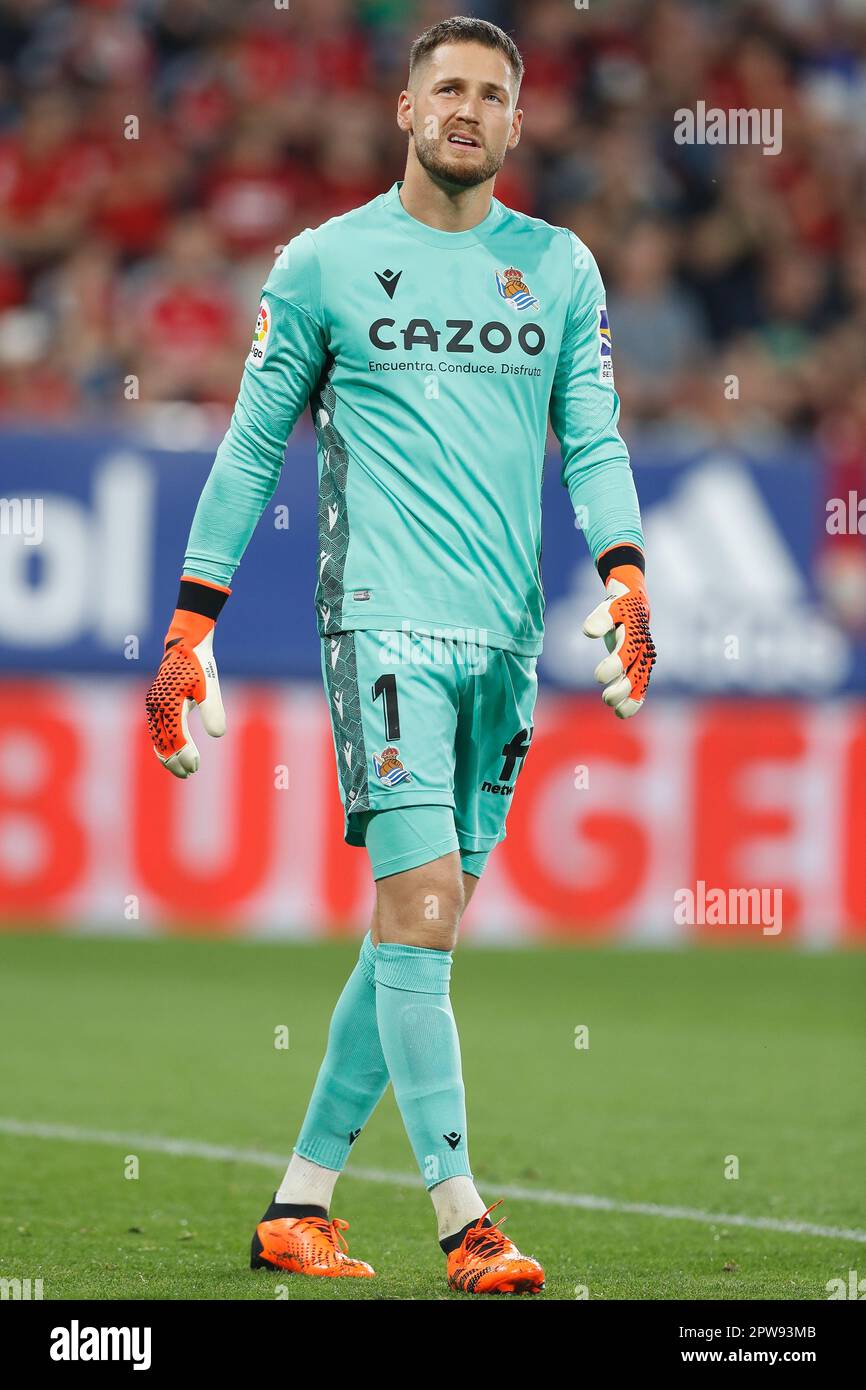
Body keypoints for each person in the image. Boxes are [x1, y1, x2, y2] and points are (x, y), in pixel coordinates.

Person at [144, 15, 655, 1296]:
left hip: (500, 643)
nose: (468, 110)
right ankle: (463, 1219)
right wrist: (187, 628)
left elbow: (588, 440)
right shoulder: (323, 264)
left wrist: (627, 573)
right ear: (405, 110)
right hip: (380, 623)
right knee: (420, 912)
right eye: (447, 90)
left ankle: (297, 1205)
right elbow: (250, 450)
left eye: (492, 93)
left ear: (518, 121)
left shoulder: (558, 267)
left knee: (407, 943)